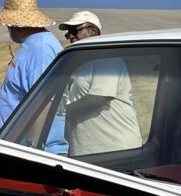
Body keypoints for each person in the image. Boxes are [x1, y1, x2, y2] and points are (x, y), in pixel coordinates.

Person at [0, 0, 64, 150]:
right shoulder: (33, 45)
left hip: (27, 153)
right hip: (16, 149)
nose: (8, 28)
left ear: (17, 23)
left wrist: (31, 150)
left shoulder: (41, 49)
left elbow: (43, 103)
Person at [58, 11, 140, 156]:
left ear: (93, 31)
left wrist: (58, 113)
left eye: (75, 30)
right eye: (68, 33)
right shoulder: (80, 61)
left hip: (113, 150)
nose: (70, 36)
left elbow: (98, 98)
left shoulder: (106, 58)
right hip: (86, 150)